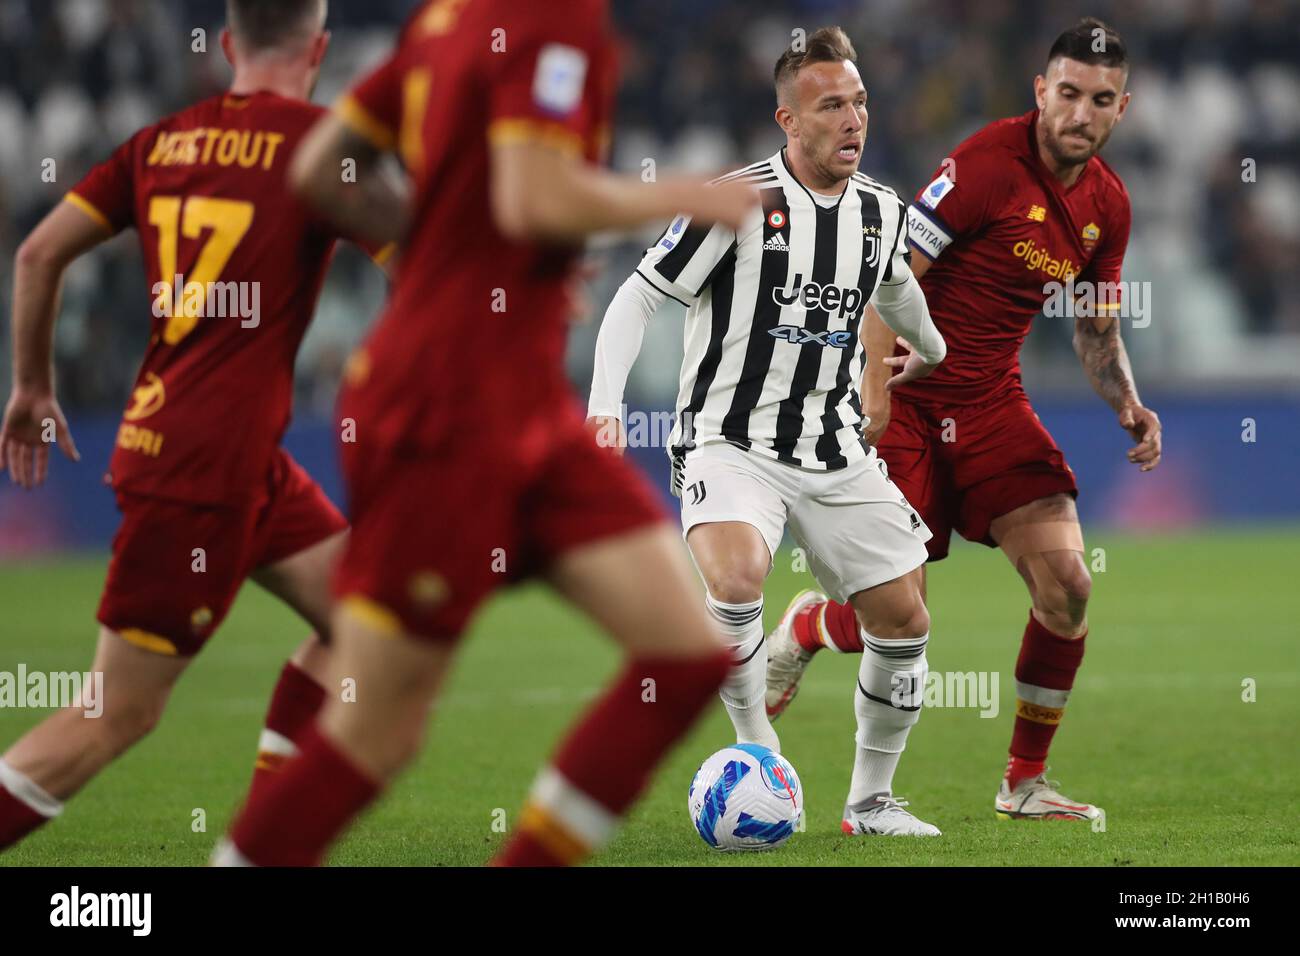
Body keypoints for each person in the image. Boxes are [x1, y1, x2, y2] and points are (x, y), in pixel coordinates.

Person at [213, 0, 759, 867]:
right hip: (447, 409)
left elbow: (322, 169)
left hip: (523, 407)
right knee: (377, 731)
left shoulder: (447, 22)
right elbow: (531, 194)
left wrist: (453, 254)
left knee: (690, 656)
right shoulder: (553, 17)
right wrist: (684, 195)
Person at [0, 0, 394, 851]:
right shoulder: (321, 148)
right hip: (201, 475)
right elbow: (426, 258)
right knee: (113, 715)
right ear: (320, 49)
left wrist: (32, 386)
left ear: (225, 45)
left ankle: (261, 846)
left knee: (364, 624)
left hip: (227, 457)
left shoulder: (160, 142)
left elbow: (36, 255)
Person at [766, 18, 1161, 822]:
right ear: (1041, 91)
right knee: (896, 613)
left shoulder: (1108, 207)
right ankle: (811, 624)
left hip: (989, 405)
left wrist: (1126, 401)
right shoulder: (985, 164)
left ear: (1124, 107)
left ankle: (1022, 784)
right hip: (907, 404)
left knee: (1069, 586)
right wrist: (875, 390)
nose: (1081, 114)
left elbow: (1094, 325)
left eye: (1102, 100)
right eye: (1070, 94)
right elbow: (887, 273)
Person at [587, 27, 947, 837]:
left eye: (859, 103)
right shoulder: (736, 201)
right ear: (788, 120)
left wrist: (932, 348)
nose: (853, 119)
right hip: (731, 439)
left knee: (904, 619)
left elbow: (895, 294)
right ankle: (759, 748)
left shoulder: (882, 211)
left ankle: (870, 804)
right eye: (831, 106)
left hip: (835, 448)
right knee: (738, 576)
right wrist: (605, 406)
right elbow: (638, 297)